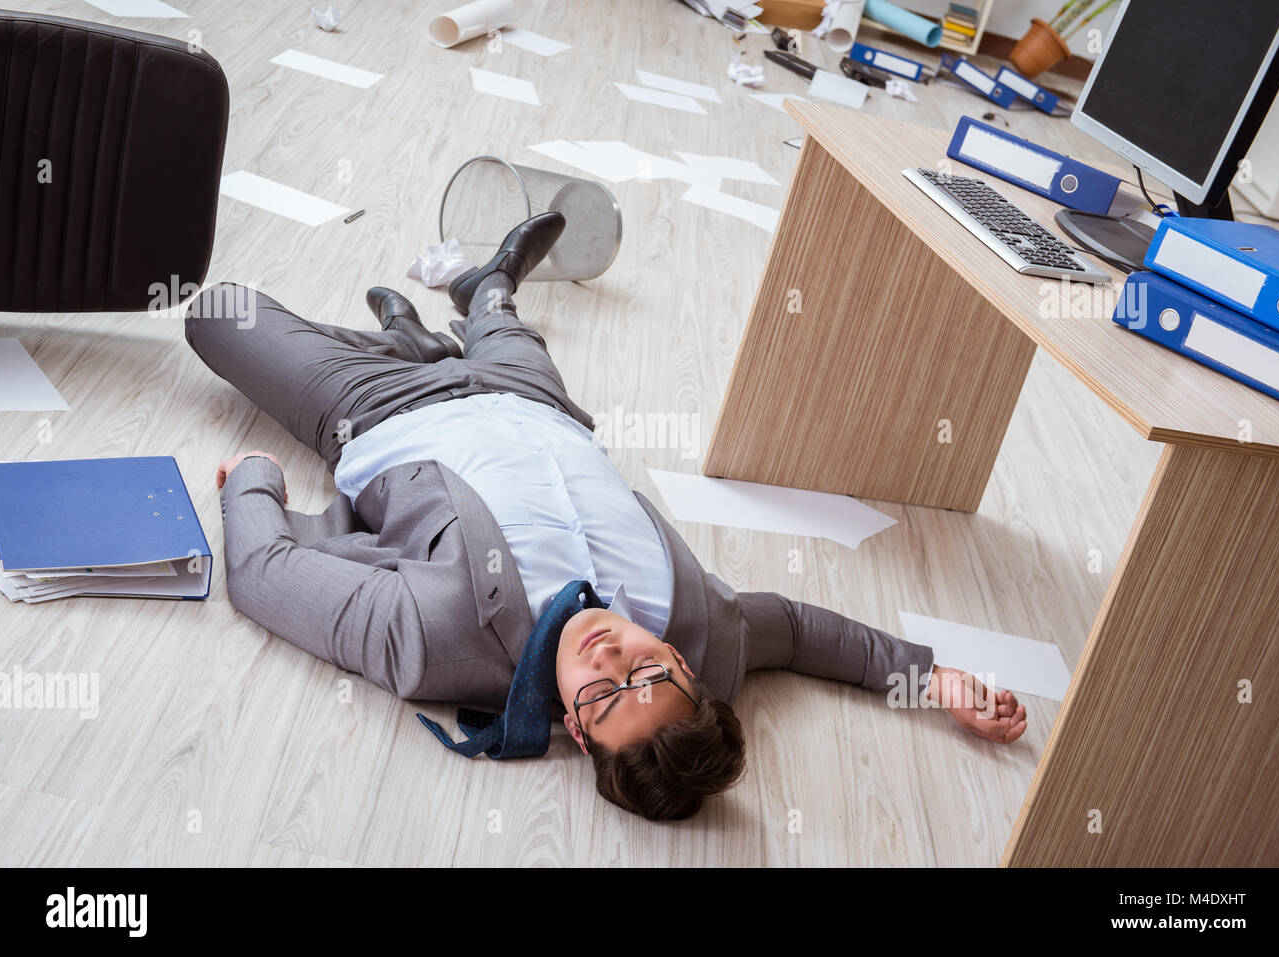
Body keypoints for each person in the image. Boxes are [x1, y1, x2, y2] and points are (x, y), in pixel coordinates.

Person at [186, 212, 1026, 822]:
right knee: (507, 332)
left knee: (214, 311)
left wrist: (254, 481)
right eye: (651, 673)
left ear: (580, 737)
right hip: (537, 403)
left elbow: (266, 575)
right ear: (690, 672)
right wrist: (927, 678)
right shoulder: (714, 632)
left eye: (603, 697)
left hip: (385, 410)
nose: (611, 656)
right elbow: (803, 632)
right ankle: (488, 290)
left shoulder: (439, 642)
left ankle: (408, 339)